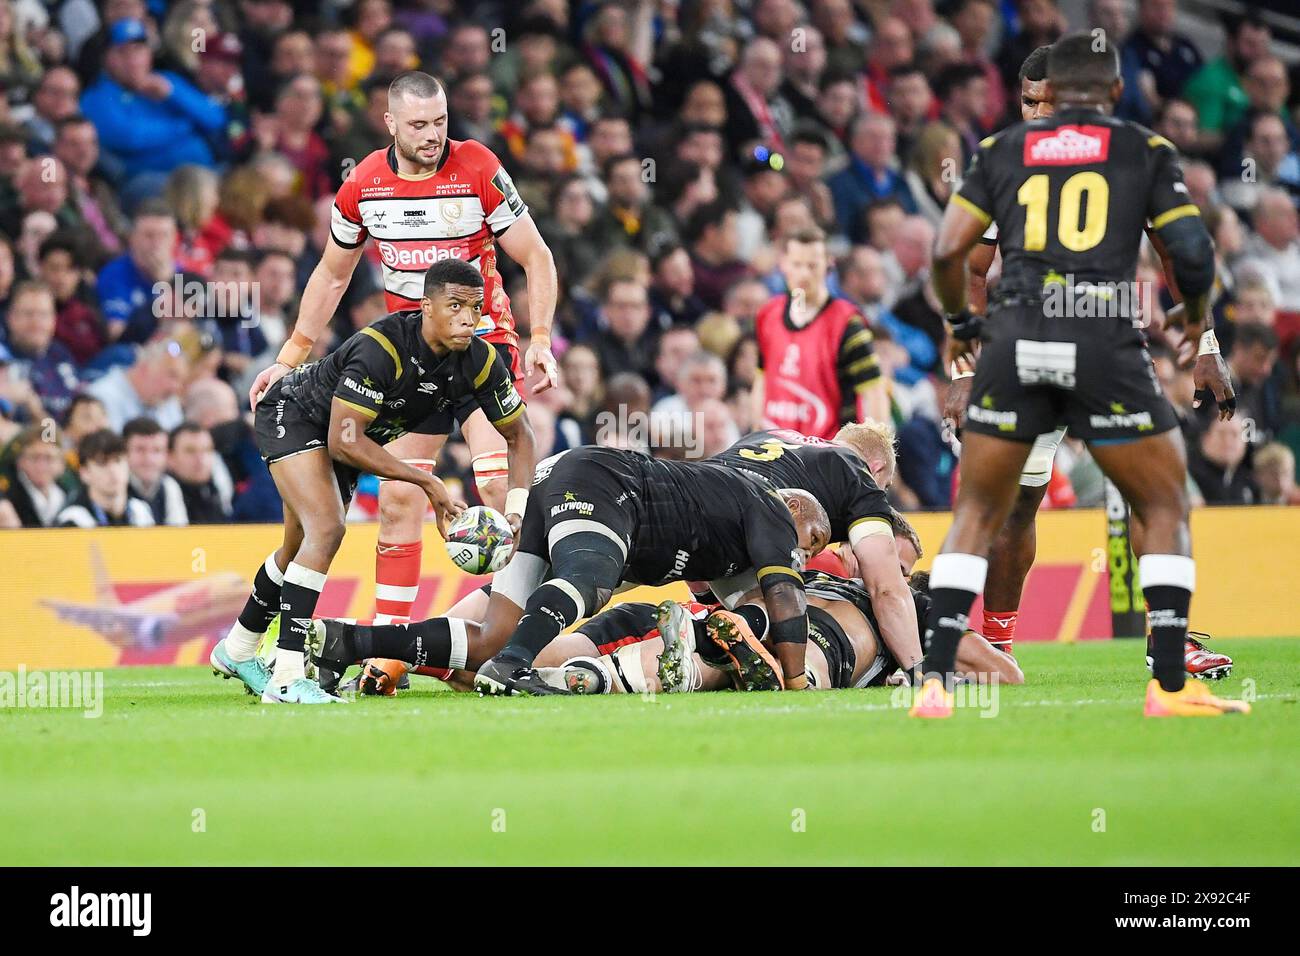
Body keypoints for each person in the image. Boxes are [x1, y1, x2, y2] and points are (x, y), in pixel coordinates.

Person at [915, 34, 1247, 718]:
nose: (1037, 111)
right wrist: (1202, 336)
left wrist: (967, 341)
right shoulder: (1139, 152)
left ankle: (936, 682)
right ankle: (1161, 679)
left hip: (1017, 345)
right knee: (1154, 504)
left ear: (1058, 94)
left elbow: (948, 254)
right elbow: (1187, 248)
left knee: (978, 508)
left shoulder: (1001, 154)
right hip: (1104, 346)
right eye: (1026, 100)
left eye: (1045, 98)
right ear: (1115, 93)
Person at [245, 70, 559, 629]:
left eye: (440, 121)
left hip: (480, 343)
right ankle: (388, 649)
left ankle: (517, 637)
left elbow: (535, 256)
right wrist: (289, 357)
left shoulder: (480, 168)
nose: (433, 134)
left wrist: (540, 339)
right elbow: (332, 274)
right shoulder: (364, 183)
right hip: (410, 362)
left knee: (494, 486)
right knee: (397, 501)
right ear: (390, 123)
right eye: (418, 125)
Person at [211, 259, 535, 704]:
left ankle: (238, 648)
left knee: (297, 546)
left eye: (476, 308)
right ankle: (287, 676)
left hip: (346, 440)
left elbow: (521, 436)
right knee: (326, 529)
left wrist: (515, 510)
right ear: (426, 307)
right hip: (295, 415)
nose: (467, 318)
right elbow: (345, 443)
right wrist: (428, 484)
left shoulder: (479, 362)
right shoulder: (382, 347)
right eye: (454, 305)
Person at [312, 447, 831, 697]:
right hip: (604, 482)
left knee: (491, 634)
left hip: (565, 481)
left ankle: (345, 642)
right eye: (810, 543)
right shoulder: (770, 507)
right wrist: (797, 681)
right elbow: (786, 601)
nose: (802, 556)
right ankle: (513, 666)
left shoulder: (733, 539)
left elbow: (753, 622)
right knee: (588, 580)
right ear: (795, 512)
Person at [753, 227, 889, 438]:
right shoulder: (768, 316)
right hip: (776, 452)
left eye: (812, 265)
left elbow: (873, 392)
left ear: (828, 265)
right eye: (797, 265)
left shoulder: (848, 324)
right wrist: (756, 434)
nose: (804, 274)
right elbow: (762, 379)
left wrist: (874, 451)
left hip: (827, 454)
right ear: (783, 264)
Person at [57, 428, 155, 528]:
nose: (113, 470)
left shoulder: (141, 512)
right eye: (102, 463)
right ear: (84, 473)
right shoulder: (73, 520)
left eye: (118, 460)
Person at [123, 416, 186, 525]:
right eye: (140, 450)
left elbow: (179, 534)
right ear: (124, 453)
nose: (149, 459)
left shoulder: (169, 486)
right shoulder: (115, 485)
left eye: (157, 450)